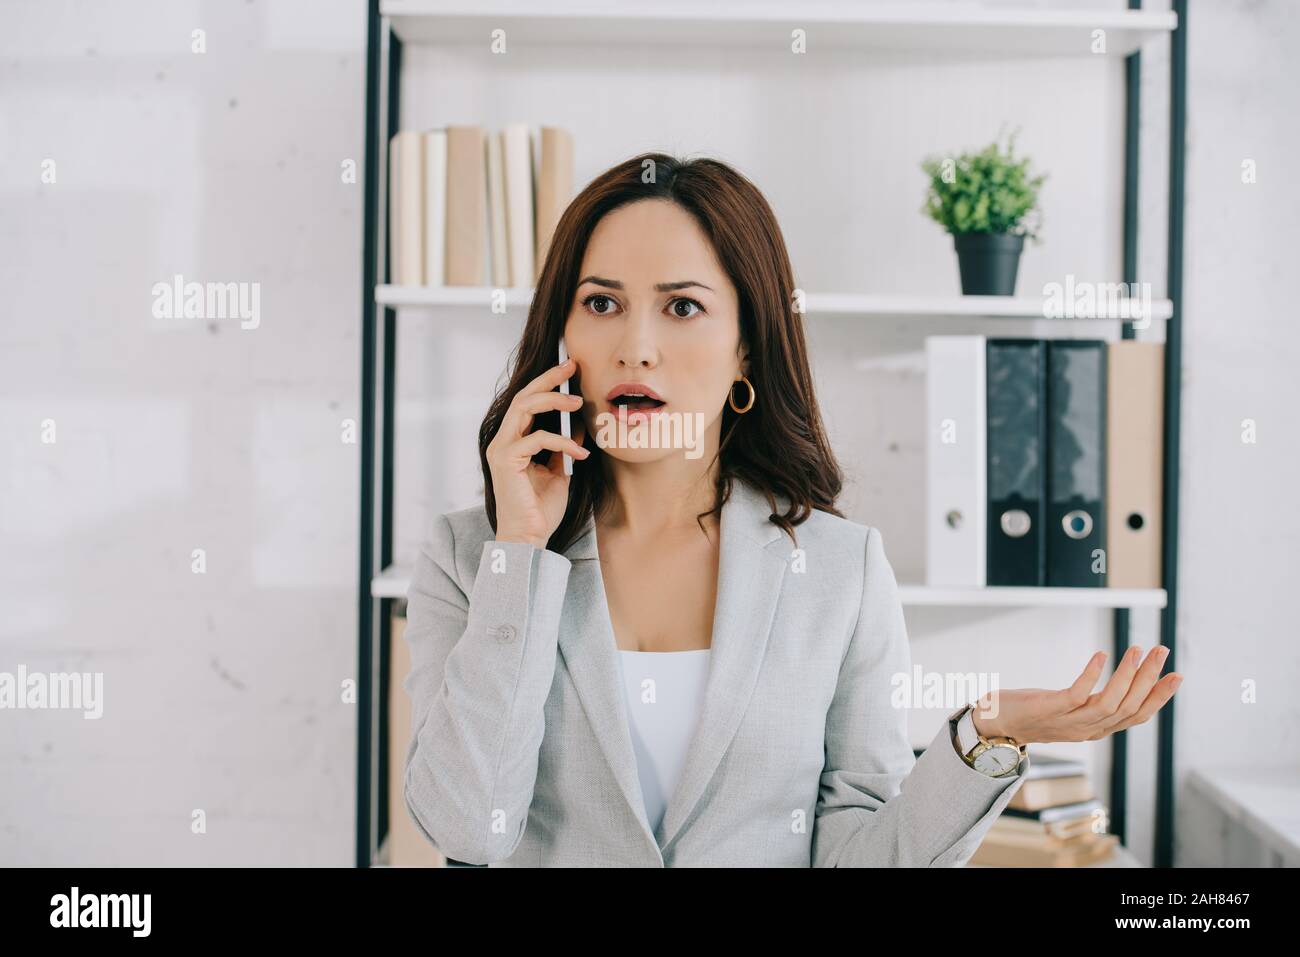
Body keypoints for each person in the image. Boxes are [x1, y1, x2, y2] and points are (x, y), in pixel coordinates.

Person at [401, 152, 1182, 867]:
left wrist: (986, 737)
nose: (636, 345)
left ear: (747, 349)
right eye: (601, 302)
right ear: (562, 331)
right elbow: (472, 829)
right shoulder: (473, 557)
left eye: (682, 309)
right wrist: (523, 551)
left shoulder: (840, 569)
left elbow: (858, 857)